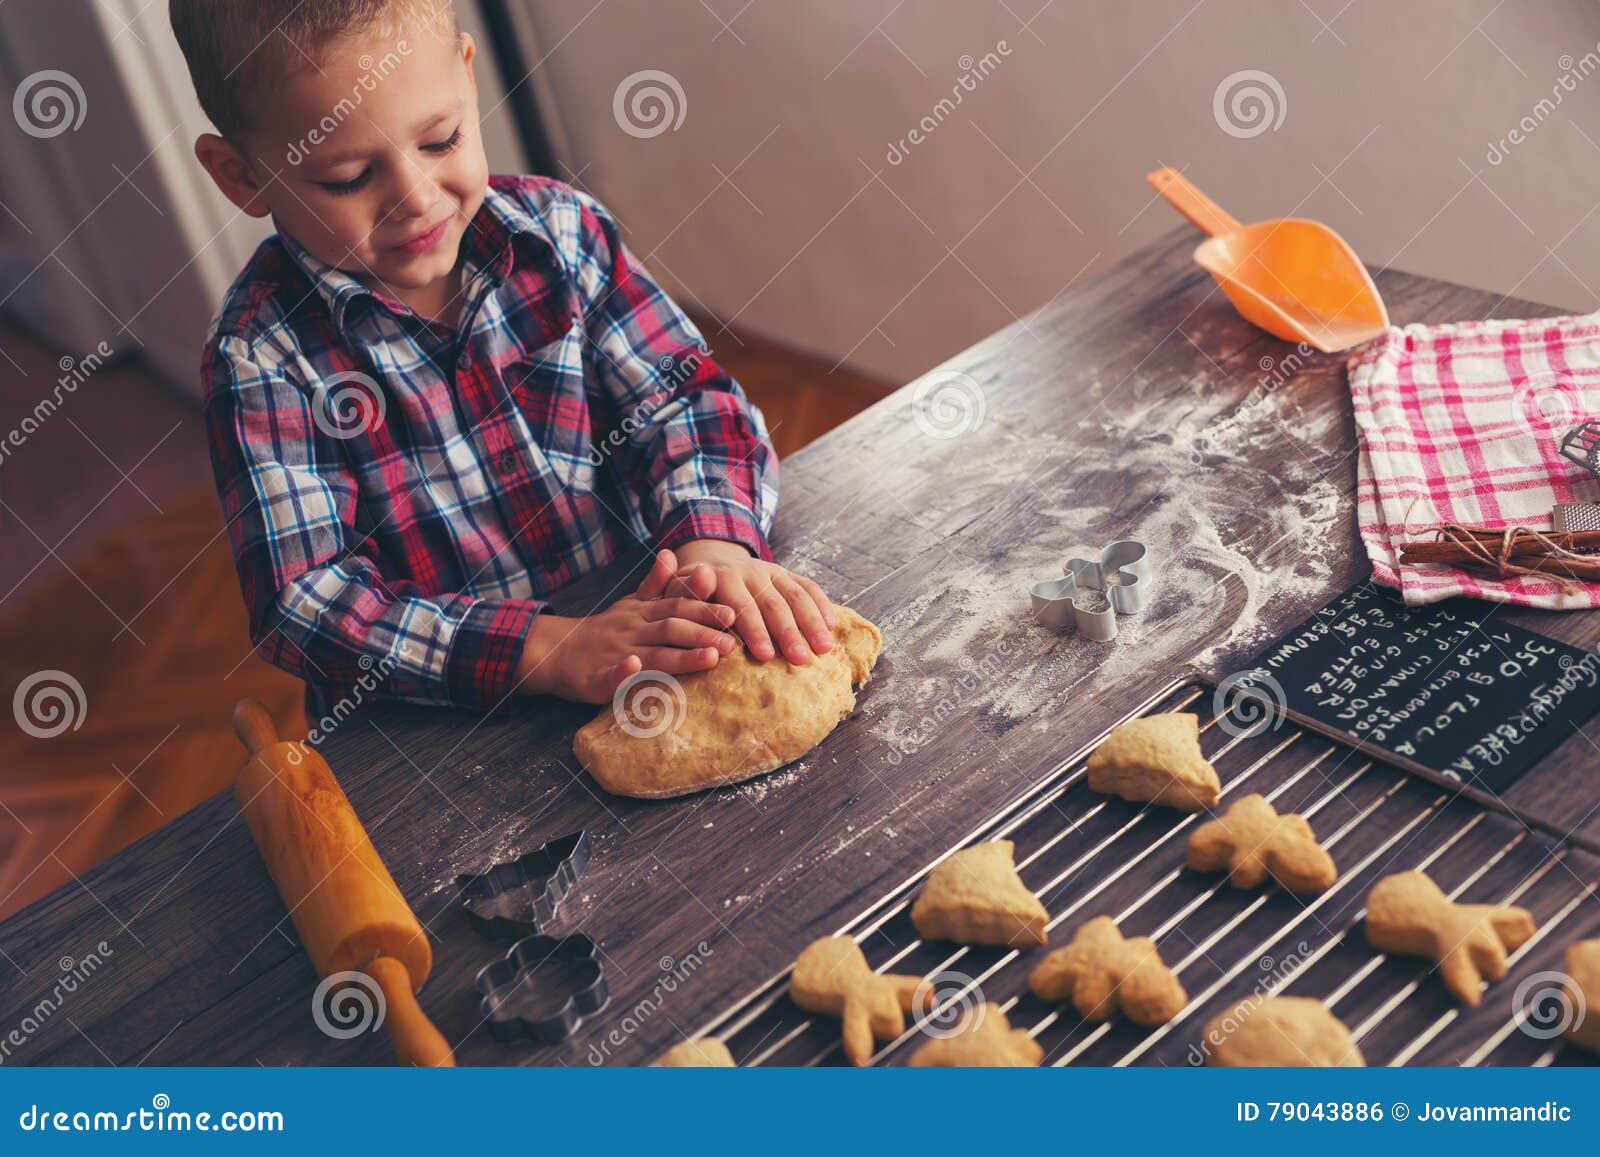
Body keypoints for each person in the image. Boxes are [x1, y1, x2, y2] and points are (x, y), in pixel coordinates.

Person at [169, 0, 835, 719]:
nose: (416, 200)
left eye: (441, 140)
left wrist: (714, 547)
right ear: (240, 175)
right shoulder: (261, 355)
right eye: (349, 177)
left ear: (465, 74)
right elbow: (304, 600)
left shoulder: (563, 234)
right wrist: (546, 650)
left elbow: (686, 403)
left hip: (639, 645)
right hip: (439, 729)